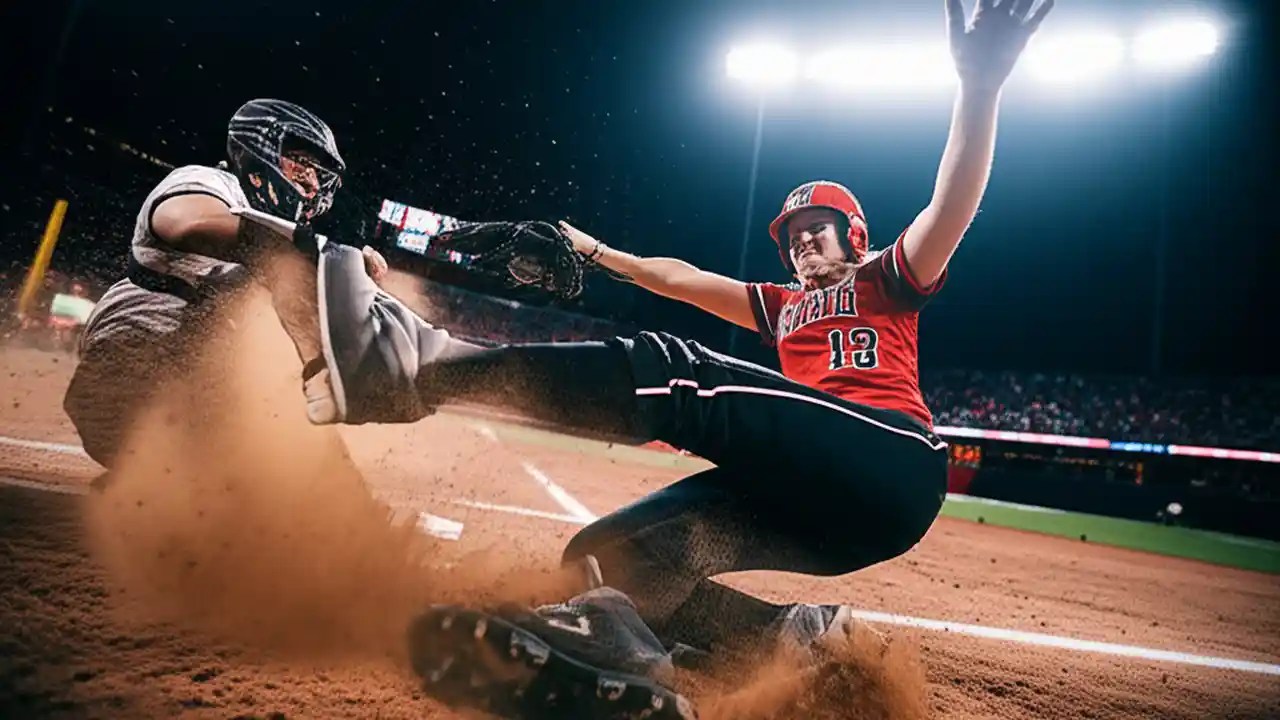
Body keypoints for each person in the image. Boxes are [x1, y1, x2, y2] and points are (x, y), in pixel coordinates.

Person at [251, 2, 1053, 716]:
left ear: (857, 236)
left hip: (891, 461)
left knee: (681, 371)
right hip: (818, 500)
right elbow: (682, 279)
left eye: (820, 224)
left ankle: (413, 370)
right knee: (606, 561)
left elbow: (953, 204)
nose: (804, 237)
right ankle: (780, 646)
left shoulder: (888, 279)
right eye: (793, 232)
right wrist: (589, 249)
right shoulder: (781, 307)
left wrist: (979, 87)